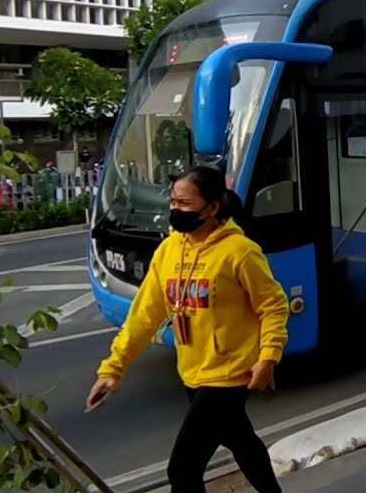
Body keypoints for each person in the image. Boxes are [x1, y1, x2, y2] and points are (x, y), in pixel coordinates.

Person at [86, 165, 289, 493]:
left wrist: (268, 357)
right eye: (173, 203)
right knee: (241, 441)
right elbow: (144, 315)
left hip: (230, 373)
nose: (175, 210)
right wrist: (112, 369)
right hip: (193, 370)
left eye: (185, 203)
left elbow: (273, 305)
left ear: (212, 208)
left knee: (182, 470)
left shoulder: (239, 252)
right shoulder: (169, 250)